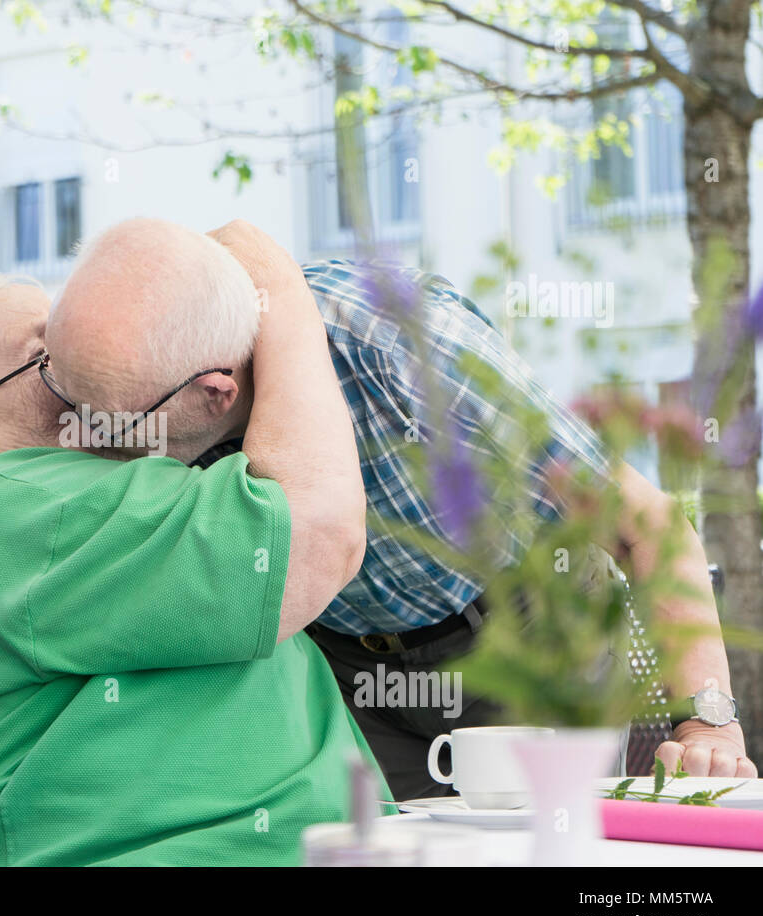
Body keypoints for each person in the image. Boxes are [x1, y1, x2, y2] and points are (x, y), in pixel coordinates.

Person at [39, 217, 756, 800]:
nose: (95, 445)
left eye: (120, 431)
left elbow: (648, 522)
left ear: (215, 392)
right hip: (349, 669)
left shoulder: (404, 348)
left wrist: (710, 722)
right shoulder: (132, 367)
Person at [0, 222, 389, 866]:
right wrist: (277, 288)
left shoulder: (117, 483)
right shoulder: (3, 499)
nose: (82, 366)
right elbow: (316, 534)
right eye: (44, 360)